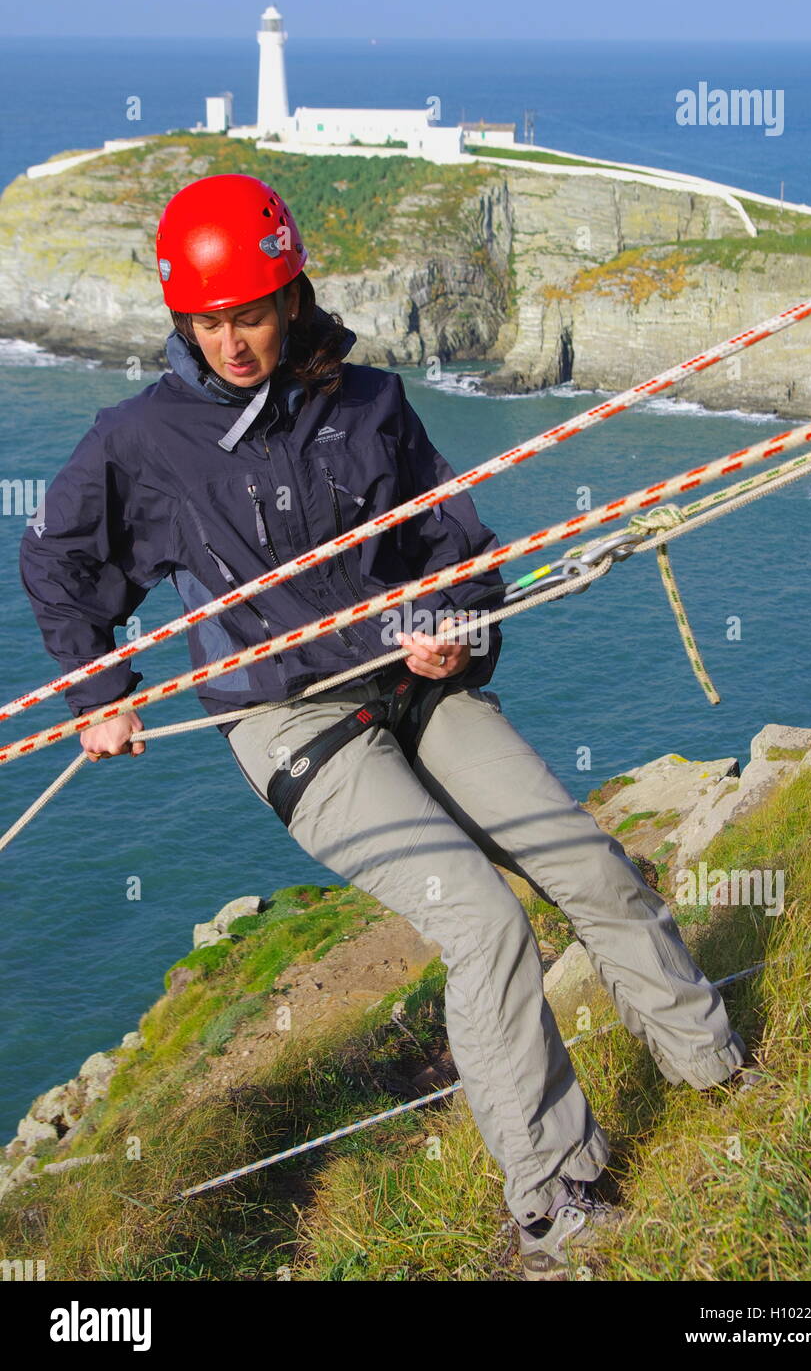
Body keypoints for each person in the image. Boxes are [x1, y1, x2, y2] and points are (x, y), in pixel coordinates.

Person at [19, 173, 748, 1280]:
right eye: (209, 320)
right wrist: (95, 691)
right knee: (483, 924)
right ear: (182, 320)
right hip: (290, 719)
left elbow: (458, 539)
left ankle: (717, 1074)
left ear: (294, 297)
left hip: (411, 682)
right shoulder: (144, 442)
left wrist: (452, 620)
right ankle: (557, 1202)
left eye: (252, 313)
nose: (233, 342)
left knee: (589, 864)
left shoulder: (371, 404)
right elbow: (59, 561)